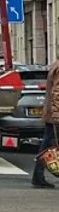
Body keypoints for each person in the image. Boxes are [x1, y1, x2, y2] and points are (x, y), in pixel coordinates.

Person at [32, 56, 59, 188]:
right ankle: (37, 177)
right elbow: (57, 93)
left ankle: (38, 176)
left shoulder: (56, 65)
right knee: (47, 146)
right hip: (55, 115)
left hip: (52, 114)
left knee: (47, 145)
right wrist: (56, 115)